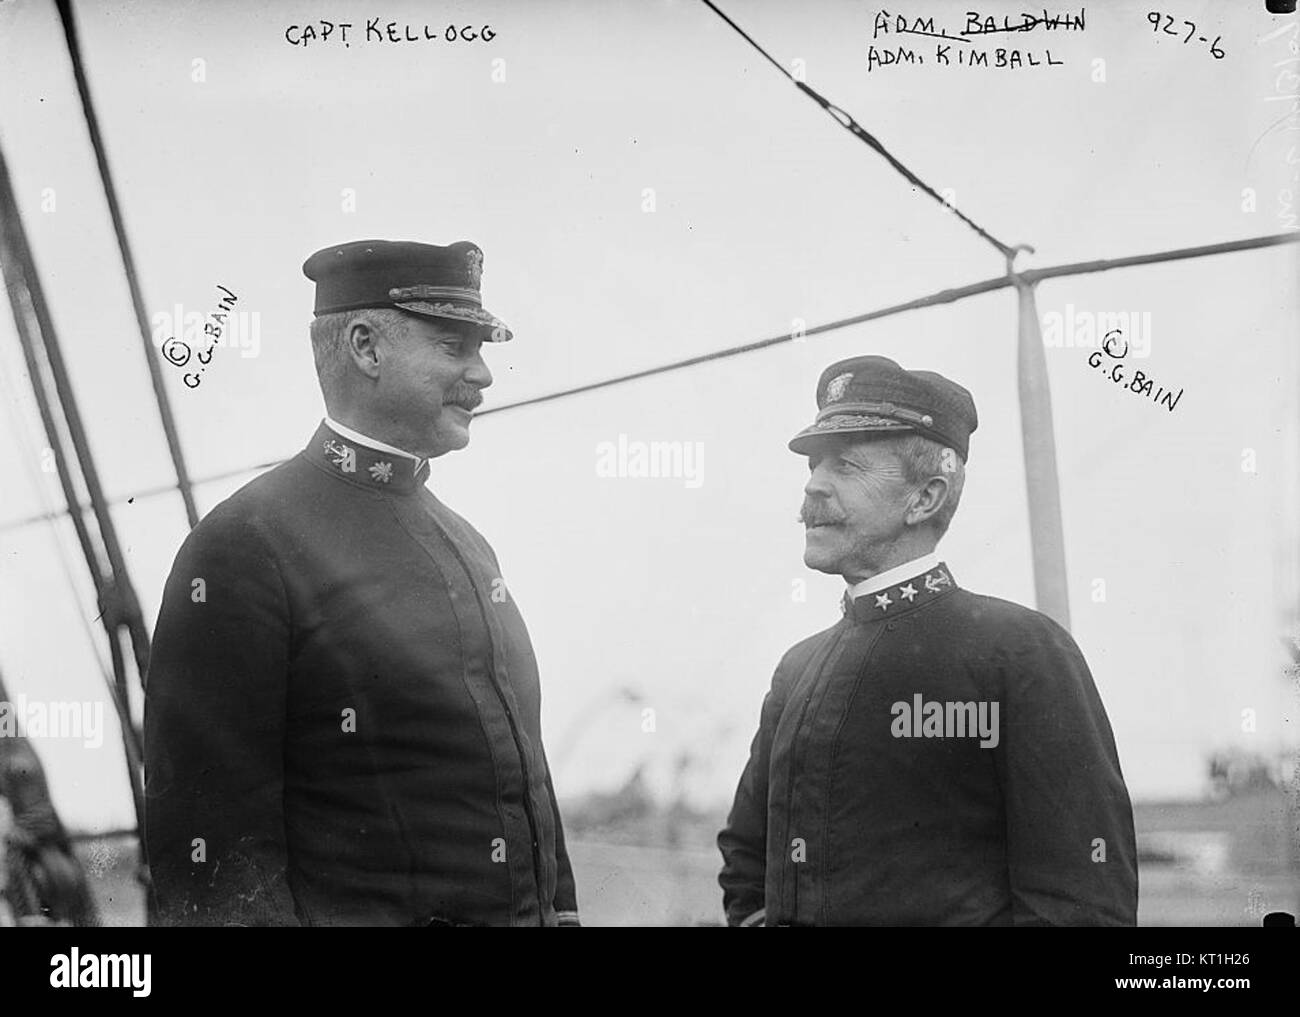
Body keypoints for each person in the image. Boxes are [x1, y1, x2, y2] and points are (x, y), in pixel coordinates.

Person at [144, 239, 579, 927]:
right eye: (454, 347)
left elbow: (527, 783)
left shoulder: (471, 546)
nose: (484, 374)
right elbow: (215, 859)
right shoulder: (245, 547)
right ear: (367, 347)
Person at [718, 355, 1137, 926]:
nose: (813, 486)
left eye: (846, 466)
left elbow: (1080, 901)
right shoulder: (798, 669)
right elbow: (746, 861)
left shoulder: (1020, 652)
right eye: (814, 466)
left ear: (925, 498)